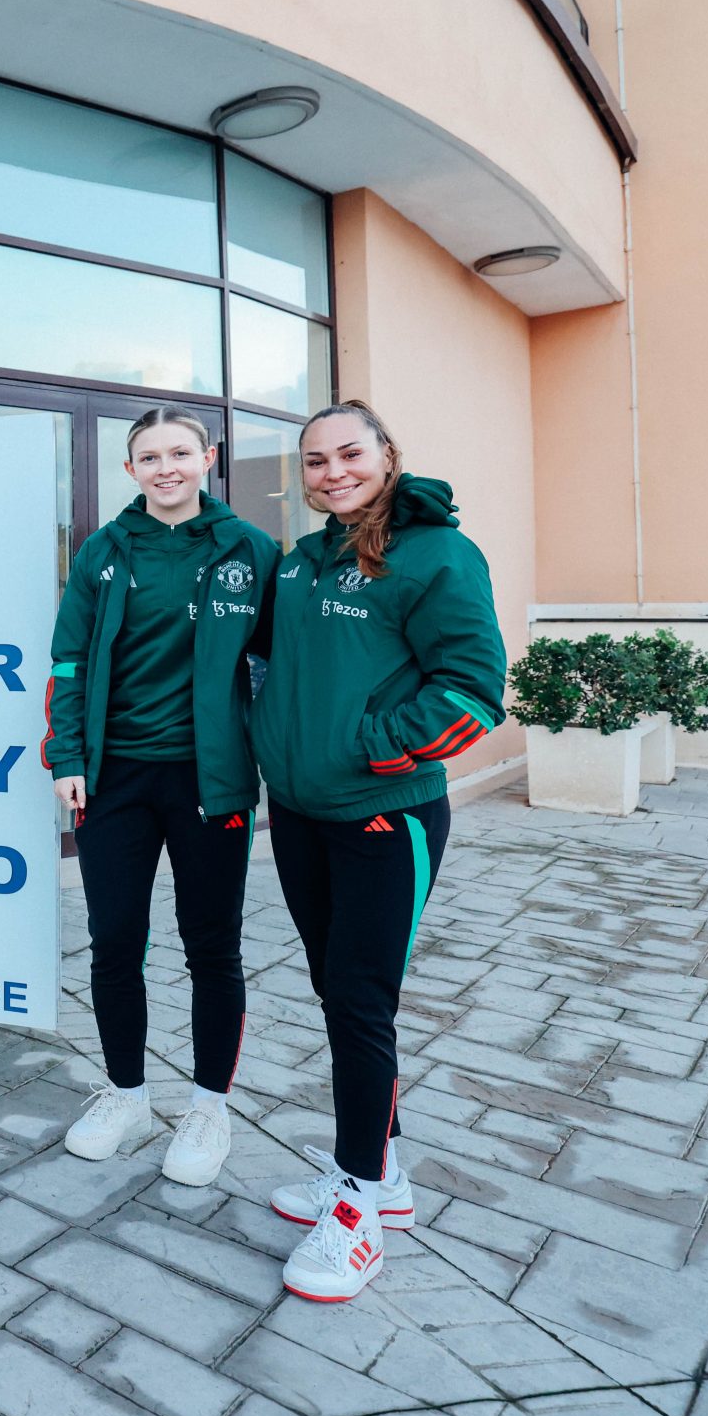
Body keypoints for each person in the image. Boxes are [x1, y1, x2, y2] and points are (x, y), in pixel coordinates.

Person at [248, 399, 506, 1303]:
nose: (332, 472)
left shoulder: (436, 554)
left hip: (381, 819)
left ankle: (358, 1206)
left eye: (349, 454)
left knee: (361, 1003)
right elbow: (274, 672)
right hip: (300, 816)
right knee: (338, 994)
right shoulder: (300, 562)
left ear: (387, 454)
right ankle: (377, 1173)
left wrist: (368, 747)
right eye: (315, 461)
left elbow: (473, 691)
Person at [43, 407, 279, 1188]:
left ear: (207, 458)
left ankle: (208, 1106)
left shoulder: (251, 550)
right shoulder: (104, 552)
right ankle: (126, 1094)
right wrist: (67, 755)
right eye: (150, 456)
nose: (167, 467)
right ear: (131, 470)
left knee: (211, 946)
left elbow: (284, 664)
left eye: (180, 452)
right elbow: (69, 659)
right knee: (115, 943)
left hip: (212, 782)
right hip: (115, 779)